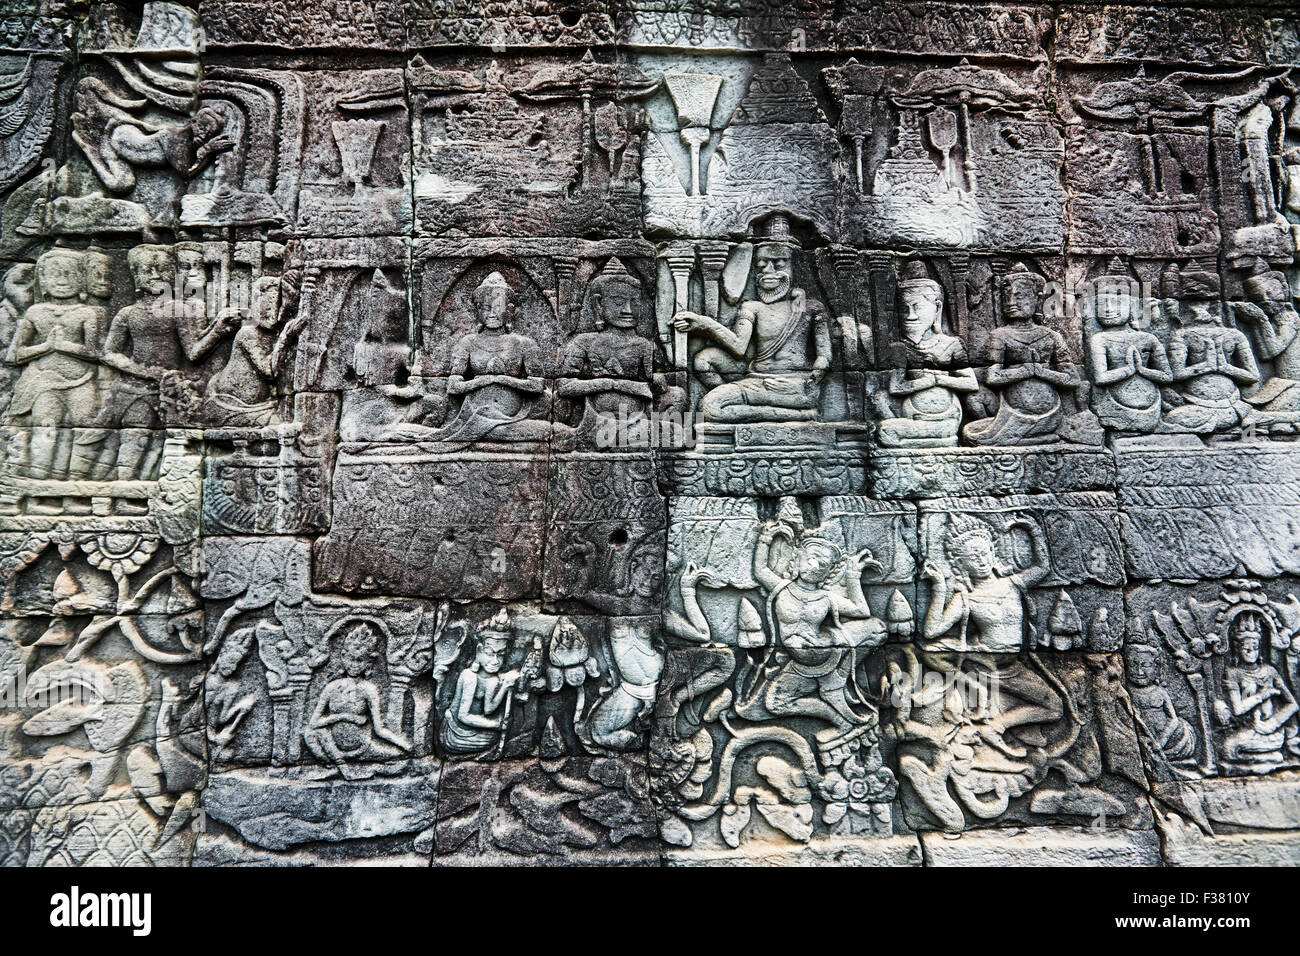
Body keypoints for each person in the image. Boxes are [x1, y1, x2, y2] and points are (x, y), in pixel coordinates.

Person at [671, 215, 832, 424]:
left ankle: (793, 412)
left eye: (778, 263)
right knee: (709, 405)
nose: (768, 271)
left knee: (713, 409)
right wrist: (705, 324)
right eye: (762, 264)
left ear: (794, 266)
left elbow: (824, 355)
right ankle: (797, 415)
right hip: (756, 382)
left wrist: (814, 377)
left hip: (795, 386)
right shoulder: (752, 307)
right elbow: (739, 347)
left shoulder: (811, 308)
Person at [963, 264, 1102, 446]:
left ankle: (1028, 437)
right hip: (1010, 412)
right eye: (1007, 297)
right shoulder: (1000, 335)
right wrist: (1026, 370)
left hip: (1051, 412)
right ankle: (1044, 437)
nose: (1012, 302)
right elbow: (993, 377)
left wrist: (1041, 372)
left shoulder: (1051, 336)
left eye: (1020, 296)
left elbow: (1073, 379)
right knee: (970, 428)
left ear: (1037, 300)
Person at [876, 260, 977, 447]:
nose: (910, 316)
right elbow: (896, 387)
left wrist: (940, 380)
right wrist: (926, 381)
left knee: (888, 433)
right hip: (911, 415)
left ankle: (921, 440)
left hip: (947, 415)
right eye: (904, 309)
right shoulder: (900, 348)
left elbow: (970, 383)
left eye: (917, 307)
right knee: (879, 401)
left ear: (937, 309)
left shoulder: (951, 344)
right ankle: (928, 440)